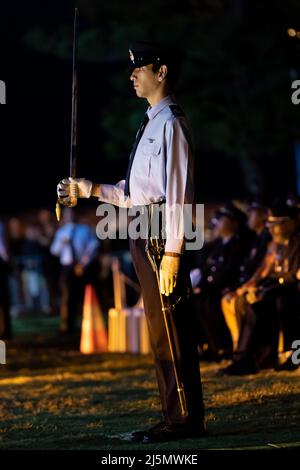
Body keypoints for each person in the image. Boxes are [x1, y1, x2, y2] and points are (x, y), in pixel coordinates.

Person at [57, 41, 206, 442]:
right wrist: (87, 189)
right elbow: (131, 194)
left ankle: (185, 419)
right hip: (144, 227)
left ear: (162, 73)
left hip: (161, 232)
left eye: (141, 67)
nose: (133, 74)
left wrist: (174, 252)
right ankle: (174, 414)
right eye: (133, 68)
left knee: (172, 328)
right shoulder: (150, 122)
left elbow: (178, 193)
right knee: (159, 329)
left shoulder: (171, 122)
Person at [50, 208, 100, 333]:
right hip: (67, 268)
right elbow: (54, 251)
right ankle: (67, 325)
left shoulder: (84, 230)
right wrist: (61, 243)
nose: (69, 216)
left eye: (72, 214)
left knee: (85, 297)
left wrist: (83, 264)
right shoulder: (62, 232)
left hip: (83, 268)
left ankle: (87, 325)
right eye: (67, 214)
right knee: (67, 297)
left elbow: (93, 247)